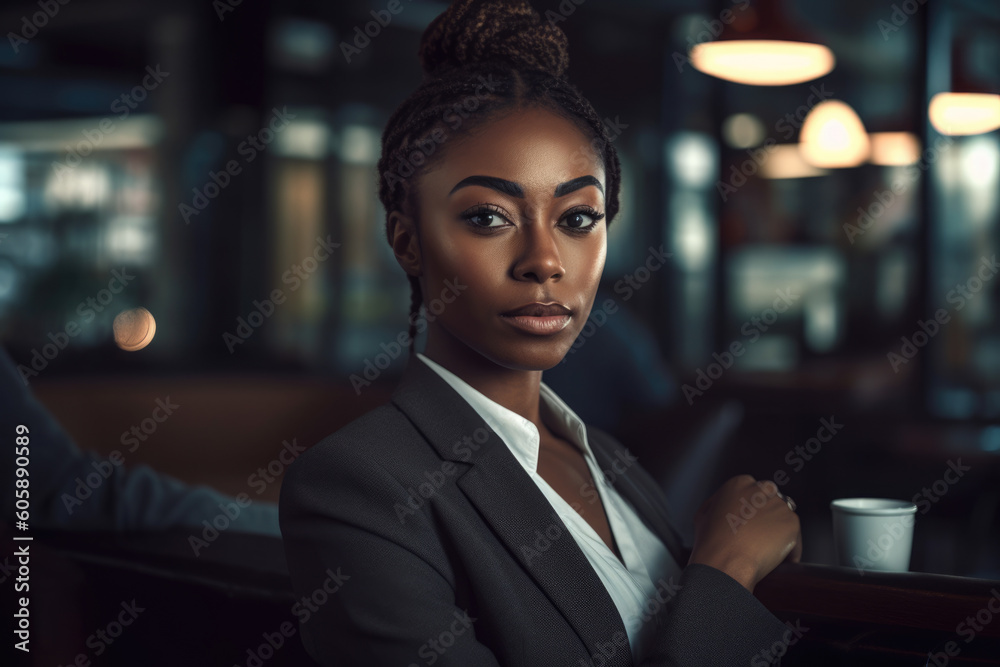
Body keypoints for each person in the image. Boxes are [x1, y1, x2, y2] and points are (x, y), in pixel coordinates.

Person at [278, 1, 802, 665]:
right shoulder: (357, 486)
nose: (545, 260)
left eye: (578, 218)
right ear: (406, 241)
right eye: (489, 217)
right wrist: (726, 569)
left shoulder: (608, 459)